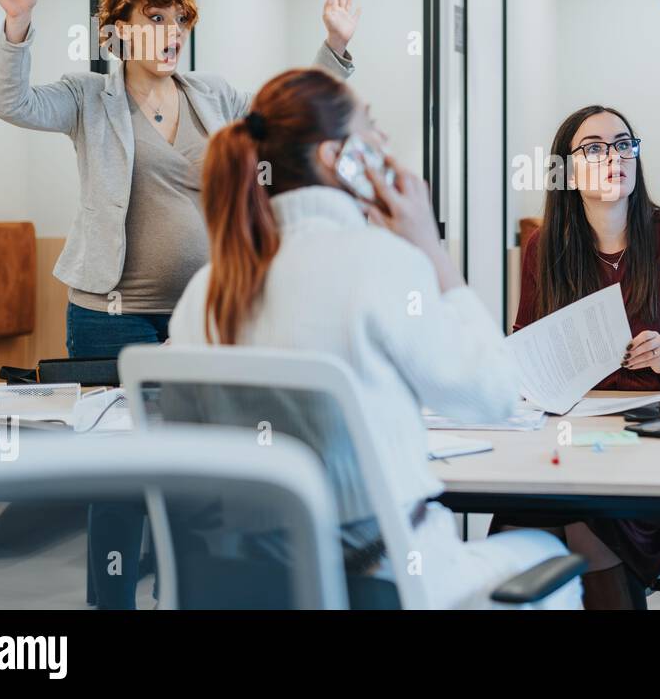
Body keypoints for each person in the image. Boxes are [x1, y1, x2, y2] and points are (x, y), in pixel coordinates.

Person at [0, 0, 361, 609]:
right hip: (108, 317)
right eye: (155, 19)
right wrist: (17, 27)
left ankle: (191, 594)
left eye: (179, 22)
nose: (171, 32)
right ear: (115, 33)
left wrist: (332, 49)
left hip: (207, 313)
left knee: (203, 465)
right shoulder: (87, 98)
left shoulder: (212, 94)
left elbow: (290, 121)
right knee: (119, 472)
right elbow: (11, 104)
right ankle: (112, 600)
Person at [167, 67, 581, 609]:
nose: (385, 143)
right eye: (373, 128)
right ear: (339, 158)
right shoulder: (385, 264)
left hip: (251, 584)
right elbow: (497, 393)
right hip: (392, 580)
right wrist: (432, 253)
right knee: (541, 549)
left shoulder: (205, 292)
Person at [493, 105, 660, 609]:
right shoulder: (545, 248)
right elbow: (524, 350)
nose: (615, 156)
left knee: (584, 513)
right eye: (595, 148)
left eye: (624, 143)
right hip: (572, 439)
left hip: (655, 445)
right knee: (513, 519)